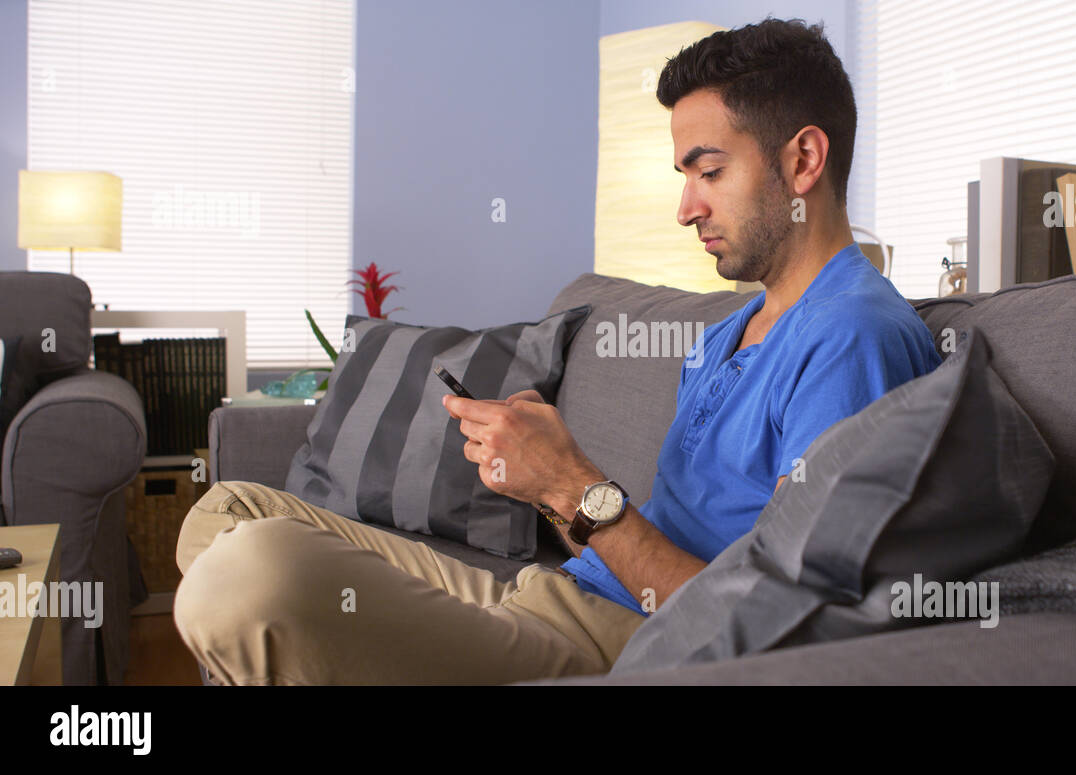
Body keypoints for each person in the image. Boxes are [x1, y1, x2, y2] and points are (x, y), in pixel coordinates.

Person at [172, 17, 941, 685]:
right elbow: (649, 539)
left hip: (628, 646)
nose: (685, 208)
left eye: (710, 170)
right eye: (686, 177)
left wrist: (578, 486)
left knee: (247, 578)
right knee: (228, 510)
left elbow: (782, 627)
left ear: (804, 162)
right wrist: (543, 482)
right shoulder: (723, 334)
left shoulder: (852, 338)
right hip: (551, 593)